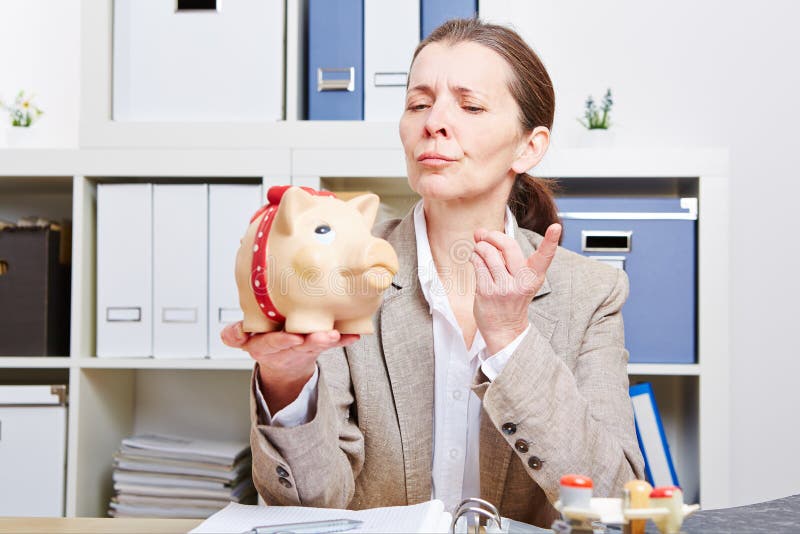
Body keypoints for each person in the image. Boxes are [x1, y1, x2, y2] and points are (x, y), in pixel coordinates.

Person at [221, 18, 644, 528]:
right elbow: (310, 511)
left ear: (528, 147)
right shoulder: (341, 270)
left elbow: (616, 505)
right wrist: (287, 384)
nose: (433, 123)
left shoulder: (591, 294)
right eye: (419, 103)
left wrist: (511, 342)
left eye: (469, 106)